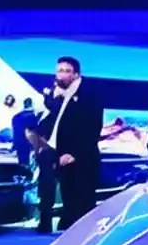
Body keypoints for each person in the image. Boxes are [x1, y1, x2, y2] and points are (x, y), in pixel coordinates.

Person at [34, 56, 102, 233]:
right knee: (58, 191)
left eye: (67, 71)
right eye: (59, 70)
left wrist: (75, 154)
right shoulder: (55, 95)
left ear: (76, 74)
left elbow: (92, 129)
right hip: (54, 151)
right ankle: (48, 222)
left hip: (80, 157)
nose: (61, 75)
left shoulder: (89, 95)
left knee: (80, 201)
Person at [10, 96, 37, 168]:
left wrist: (14, 144)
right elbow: (34, 131)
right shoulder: (32, 116)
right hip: (27, 142)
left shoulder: (16, 116)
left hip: (18, 141)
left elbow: (14, 131)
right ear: (31, 104)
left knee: (21, 161)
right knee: (26, 162)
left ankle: (21, 174)